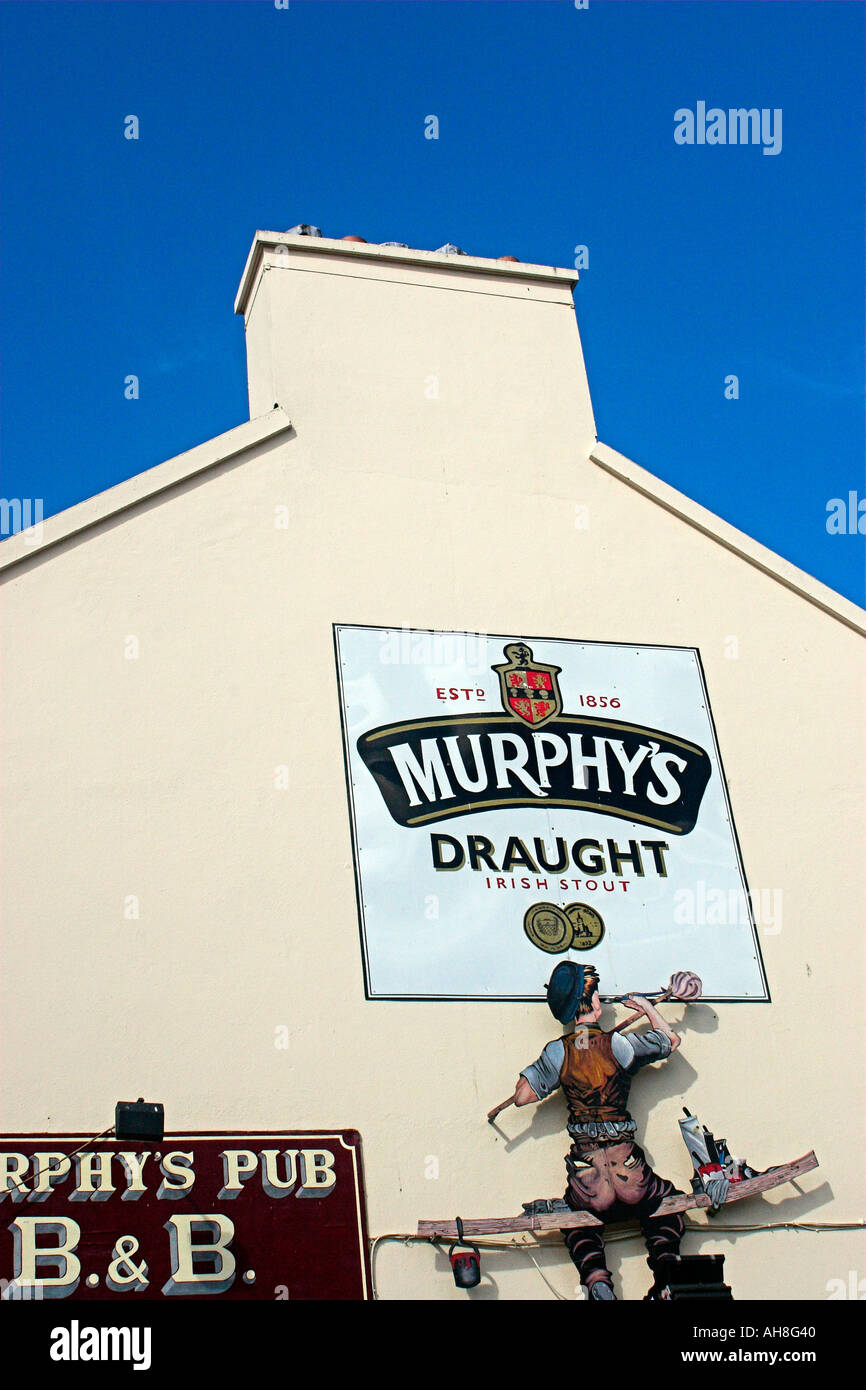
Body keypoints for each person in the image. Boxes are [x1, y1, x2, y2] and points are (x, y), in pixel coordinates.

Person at [514, 961, 685, 1301]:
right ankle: (666, 1278)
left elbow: (521, 1097)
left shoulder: (557, 1051)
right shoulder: (618, 1045)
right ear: (593, 1002)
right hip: (631, 1173)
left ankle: (597, 1282)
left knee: (578, 1222)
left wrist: (549, 1072)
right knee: (670, 1203)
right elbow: (671, 1040)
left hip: (588, 1180)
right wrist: (648, 1008)